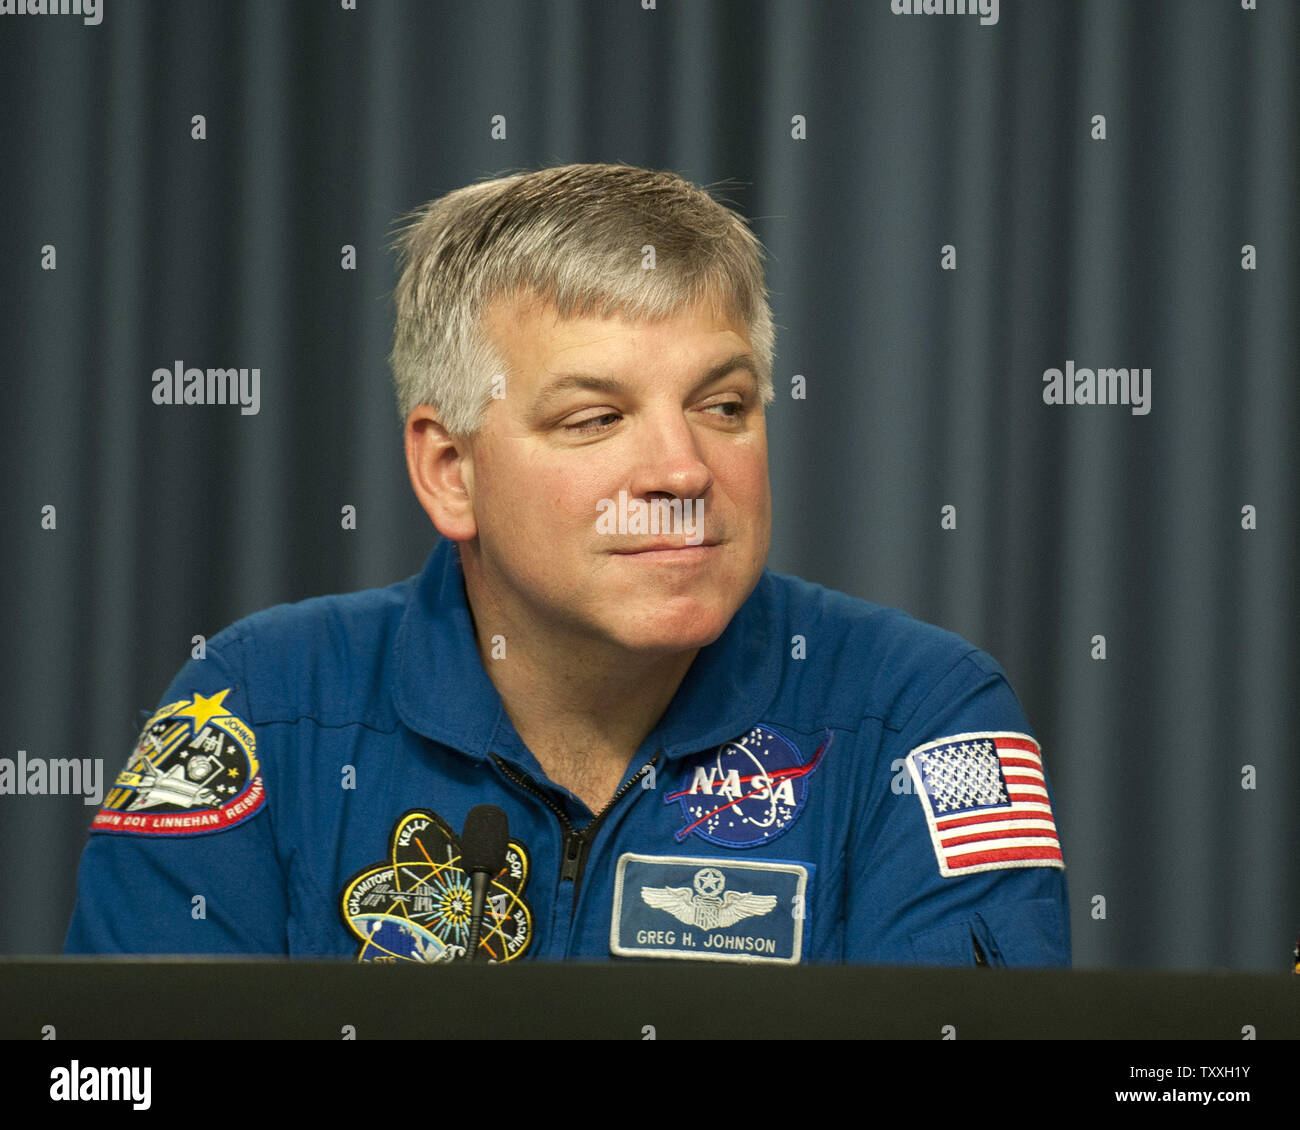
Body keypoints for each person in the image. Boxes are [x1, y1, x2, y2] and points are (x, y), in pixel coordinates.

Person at [65, 162, 1070, 966]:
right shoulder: (261, 707)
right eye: (595, 417)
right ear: (450, 468)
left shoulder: (920, 713)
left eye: (723, 406)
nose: (683, 467)